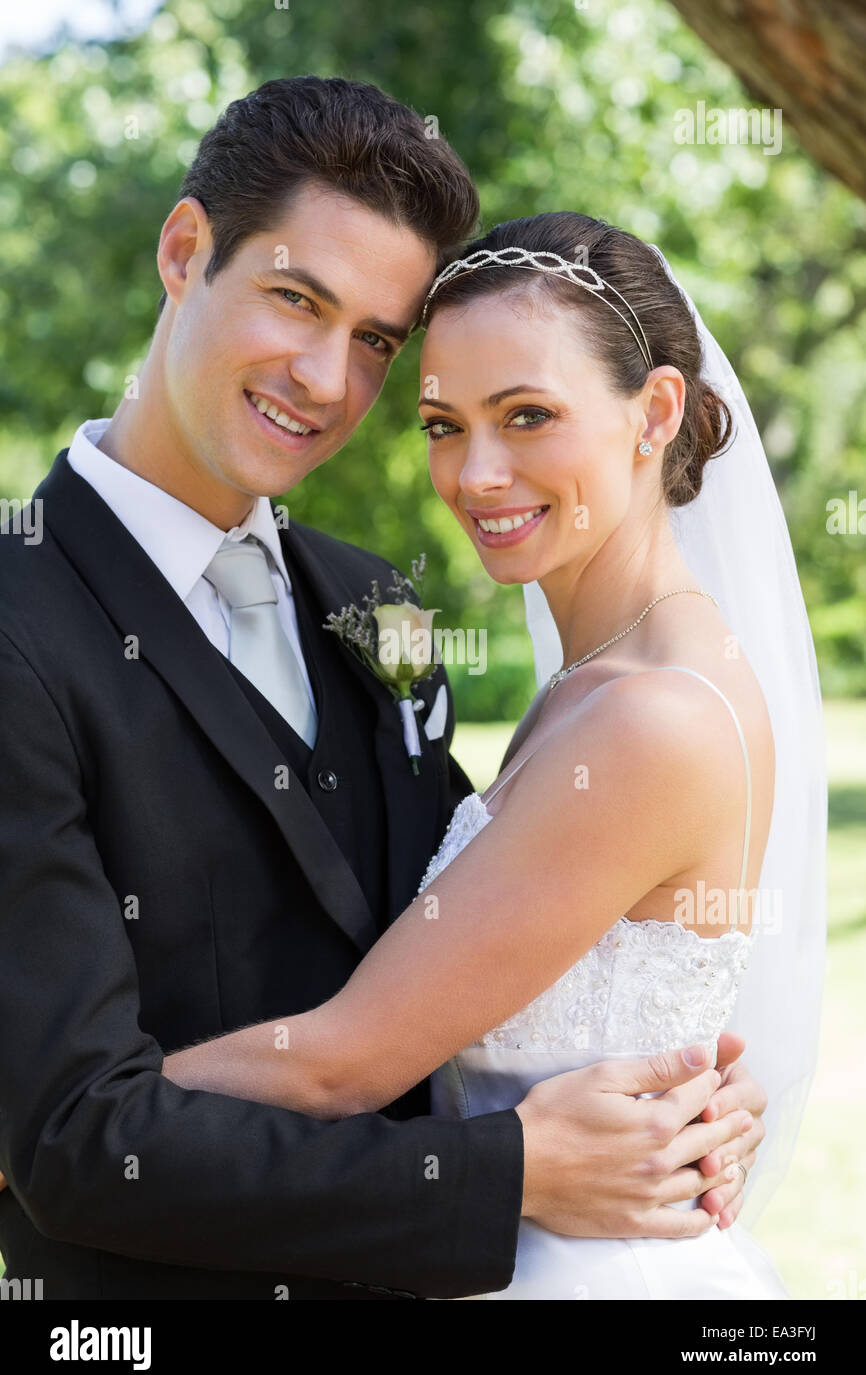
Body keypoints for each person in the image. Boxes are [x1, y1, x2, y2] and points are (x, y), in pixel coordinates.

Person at [0, 78, 766, 1302]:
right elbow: (71, 1138)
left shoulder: (374, 605)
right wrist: (501, 1169)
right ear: (185, 251)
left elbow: (467, 939)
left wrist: (672, 1089)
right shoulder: (17, 622)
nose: (322, 377)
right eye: (295, 299)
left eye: (371, 340)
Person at [159, 211, 826, 1297]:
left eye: (526, 416)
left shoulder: (648, 716)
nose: (475, 474)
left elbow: (346, 1059)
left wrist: (56, 1121)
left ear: (653, 410)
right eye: (440, 423)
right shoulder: (594, 680)